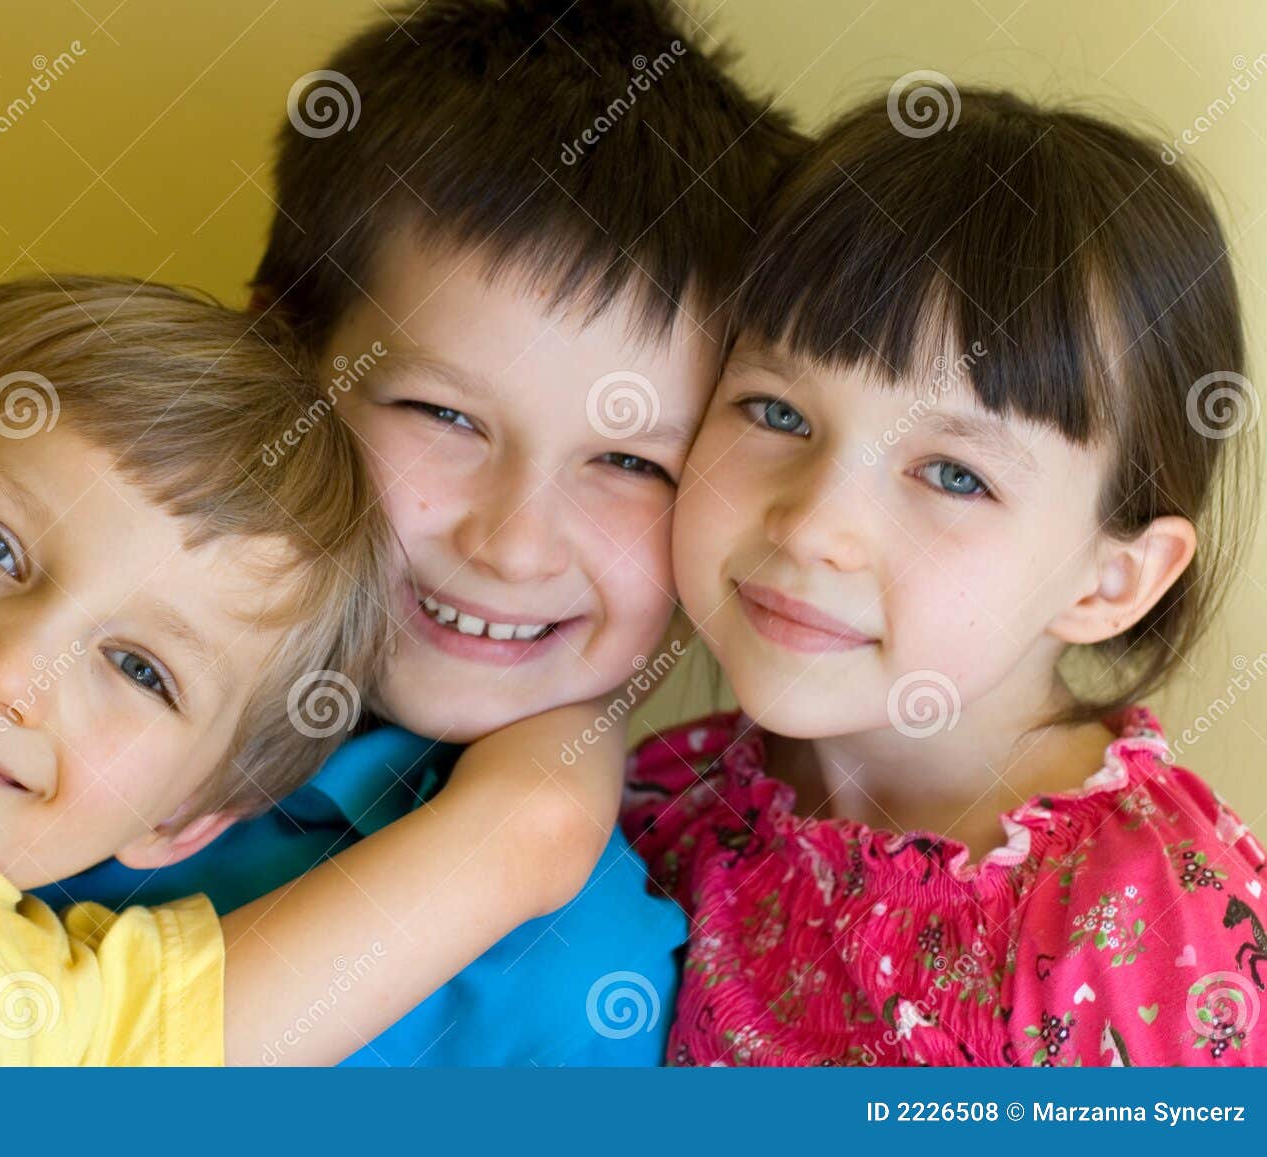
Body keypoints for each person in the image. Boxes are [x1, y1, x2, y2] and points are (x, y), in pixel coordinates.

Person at [46, 0, 806, 1065]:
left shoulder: (574, 978)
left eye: (632, 463)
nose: (512, 542)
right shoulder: (24, 648)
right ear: (276, 357)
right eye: (443, 416)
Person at [0, 276, 626, 1065]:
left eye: (140, 669)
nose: (10, 673)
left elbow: (526, 832)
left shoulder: (77, 1030)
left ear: (186, 818)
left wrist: (596, 687)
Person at [624, 87, 1267, 1066]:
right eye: (776, 412)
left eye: (953, 474)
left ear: (1106, 581)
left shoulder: (1154, 926)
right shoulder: (661, 804)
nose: (811, 527)